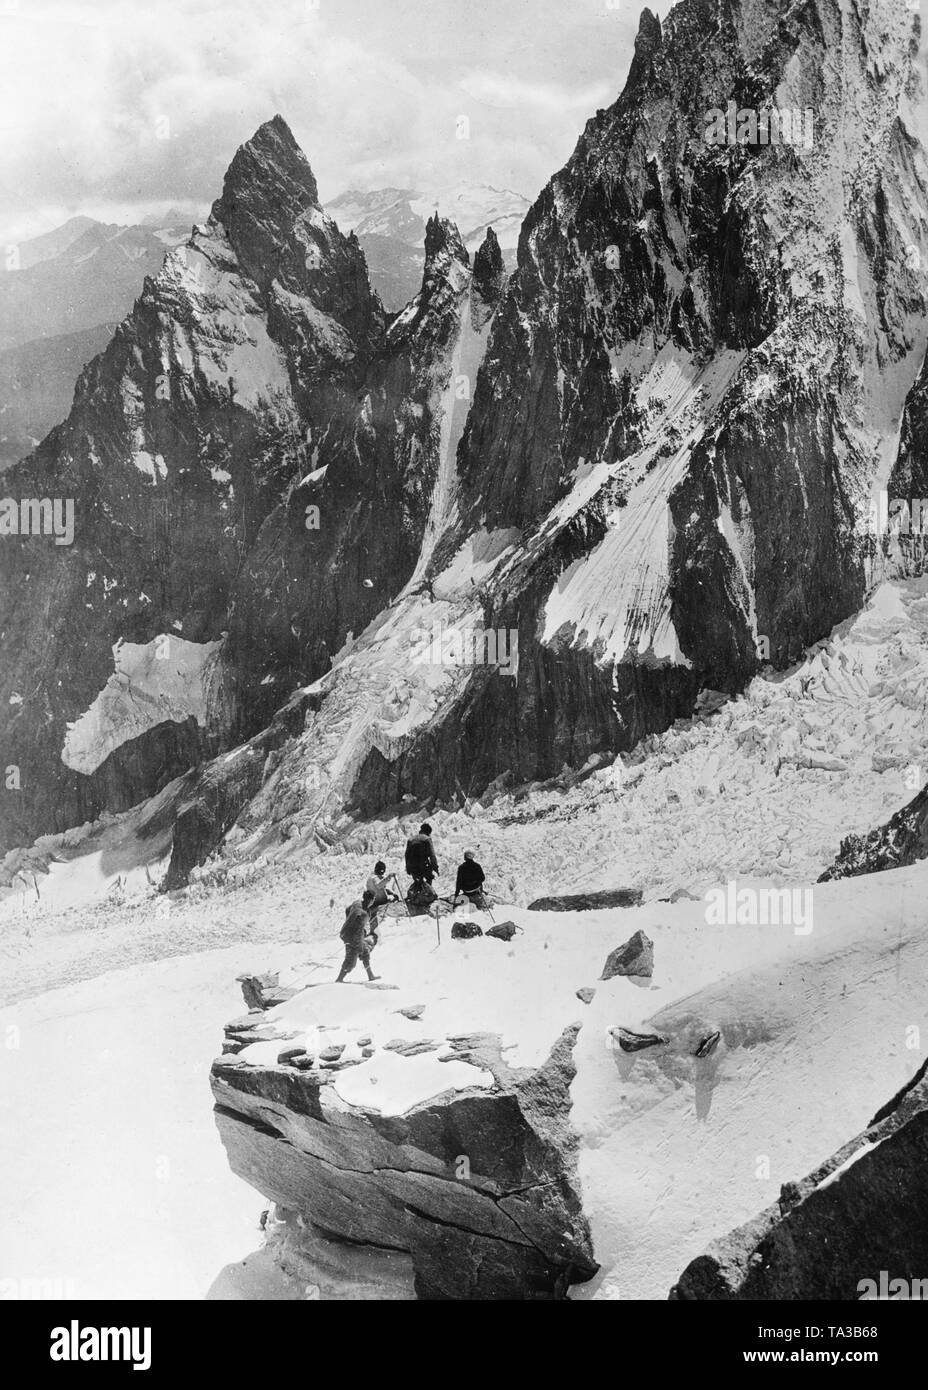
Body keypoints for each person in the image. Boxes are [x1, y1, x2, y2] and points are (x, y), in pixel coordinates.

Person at [335, 890, 380, 983]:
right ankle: (339, 979)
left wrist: (348, 919)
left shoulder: (357, 903)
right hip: (352, 937)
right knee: (351, 961)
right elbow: (357, 927)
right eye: (373, 899)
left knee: (365, 952)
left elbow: (348, 909)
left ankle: (370, 975)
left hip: (352, 933)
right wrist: (358, 942)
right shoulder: (362, 913)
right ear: (371, 900)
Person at [365, 861, 397, 933]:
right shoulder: (375, 878)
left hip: (373, 901)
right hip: (379, 901)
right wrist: (388, 877)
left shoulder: (370, 878)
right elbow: (379, 885)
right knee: (395, 898)